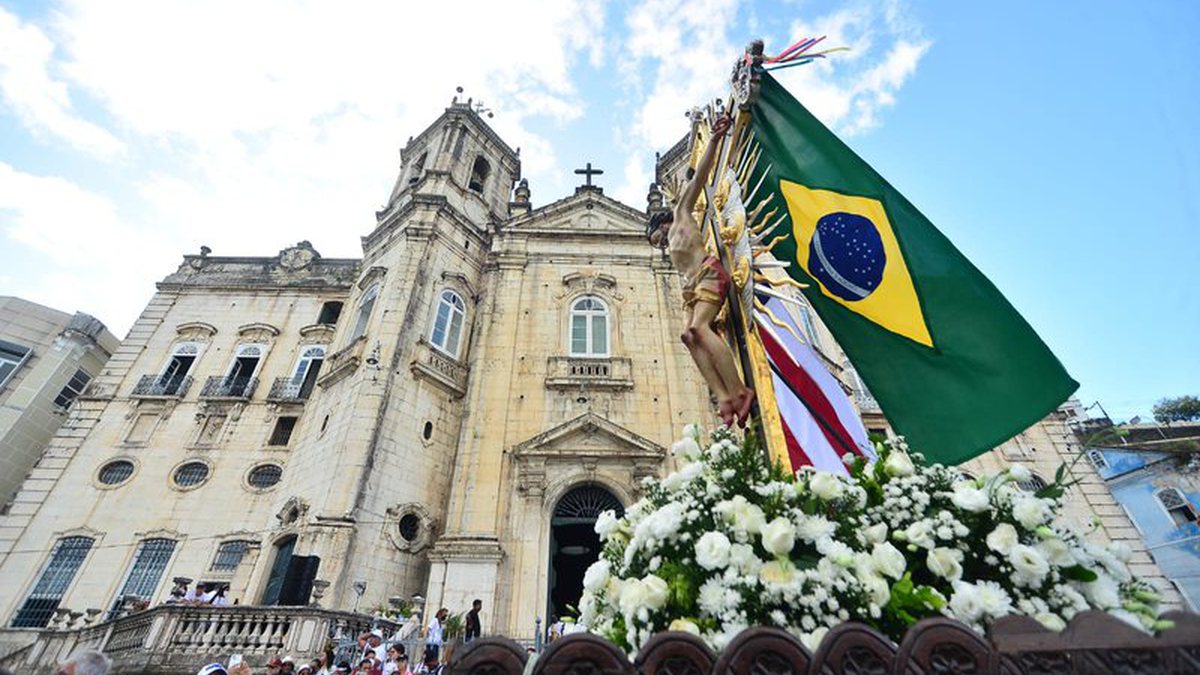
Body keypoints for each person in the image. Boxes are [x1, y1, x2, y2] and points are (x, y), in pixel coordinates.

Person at [646, 114, 754, 428]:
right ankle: (723, 396)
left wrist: (716, 140)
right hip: (691, 287)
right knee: (688, 334)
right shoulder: (669, 248)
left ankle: (739, 390)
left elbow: (698, 179)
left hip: (707, 272)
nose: (659, 245)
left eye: (655, 237)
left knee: (702, 329)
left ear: (661, 224)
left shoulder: (681, 215)